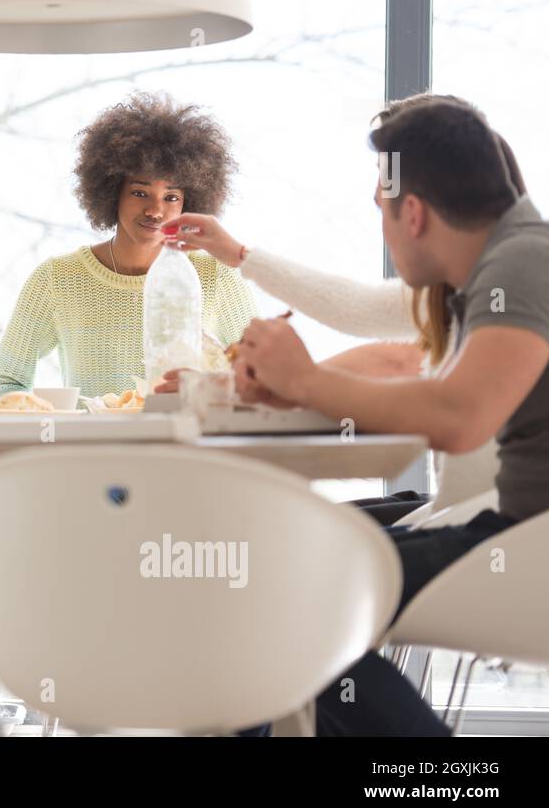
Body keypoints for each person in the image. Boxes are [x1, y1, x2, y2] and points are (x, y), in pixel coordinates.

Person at [230, 95, 547, 735]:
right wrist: (302, 390)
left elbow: (460, 417)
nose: (382, 226)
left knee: (287, 586)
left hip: (527, 544)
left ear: (413, 211)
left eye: (380, 209)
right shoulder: (504, 262)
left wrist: (309, 379)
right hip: (516, 533)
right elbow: (442, 397)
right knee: (279, 576)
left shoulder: (523, 261)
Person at [160, 98, 526, 525]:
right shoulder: (465, 283)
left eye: (386, 190)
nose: (378, 203)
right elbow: (359, 307)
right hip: (471, 514)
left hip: (501, 534)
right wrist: (240, 254)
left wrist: (302, 381)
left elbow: (437, 406)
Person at [0, 92, 257, 398]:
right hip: (89, 445)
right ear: (111, 191)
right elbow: (6, 381)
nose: (155, 211)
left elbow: (260, 378)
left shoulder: (215, 275)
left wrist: (208, 390)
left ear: (189, 202)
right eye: (140, 193)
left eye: (171, 197)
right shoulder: (56, 279)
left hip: (187, 443)